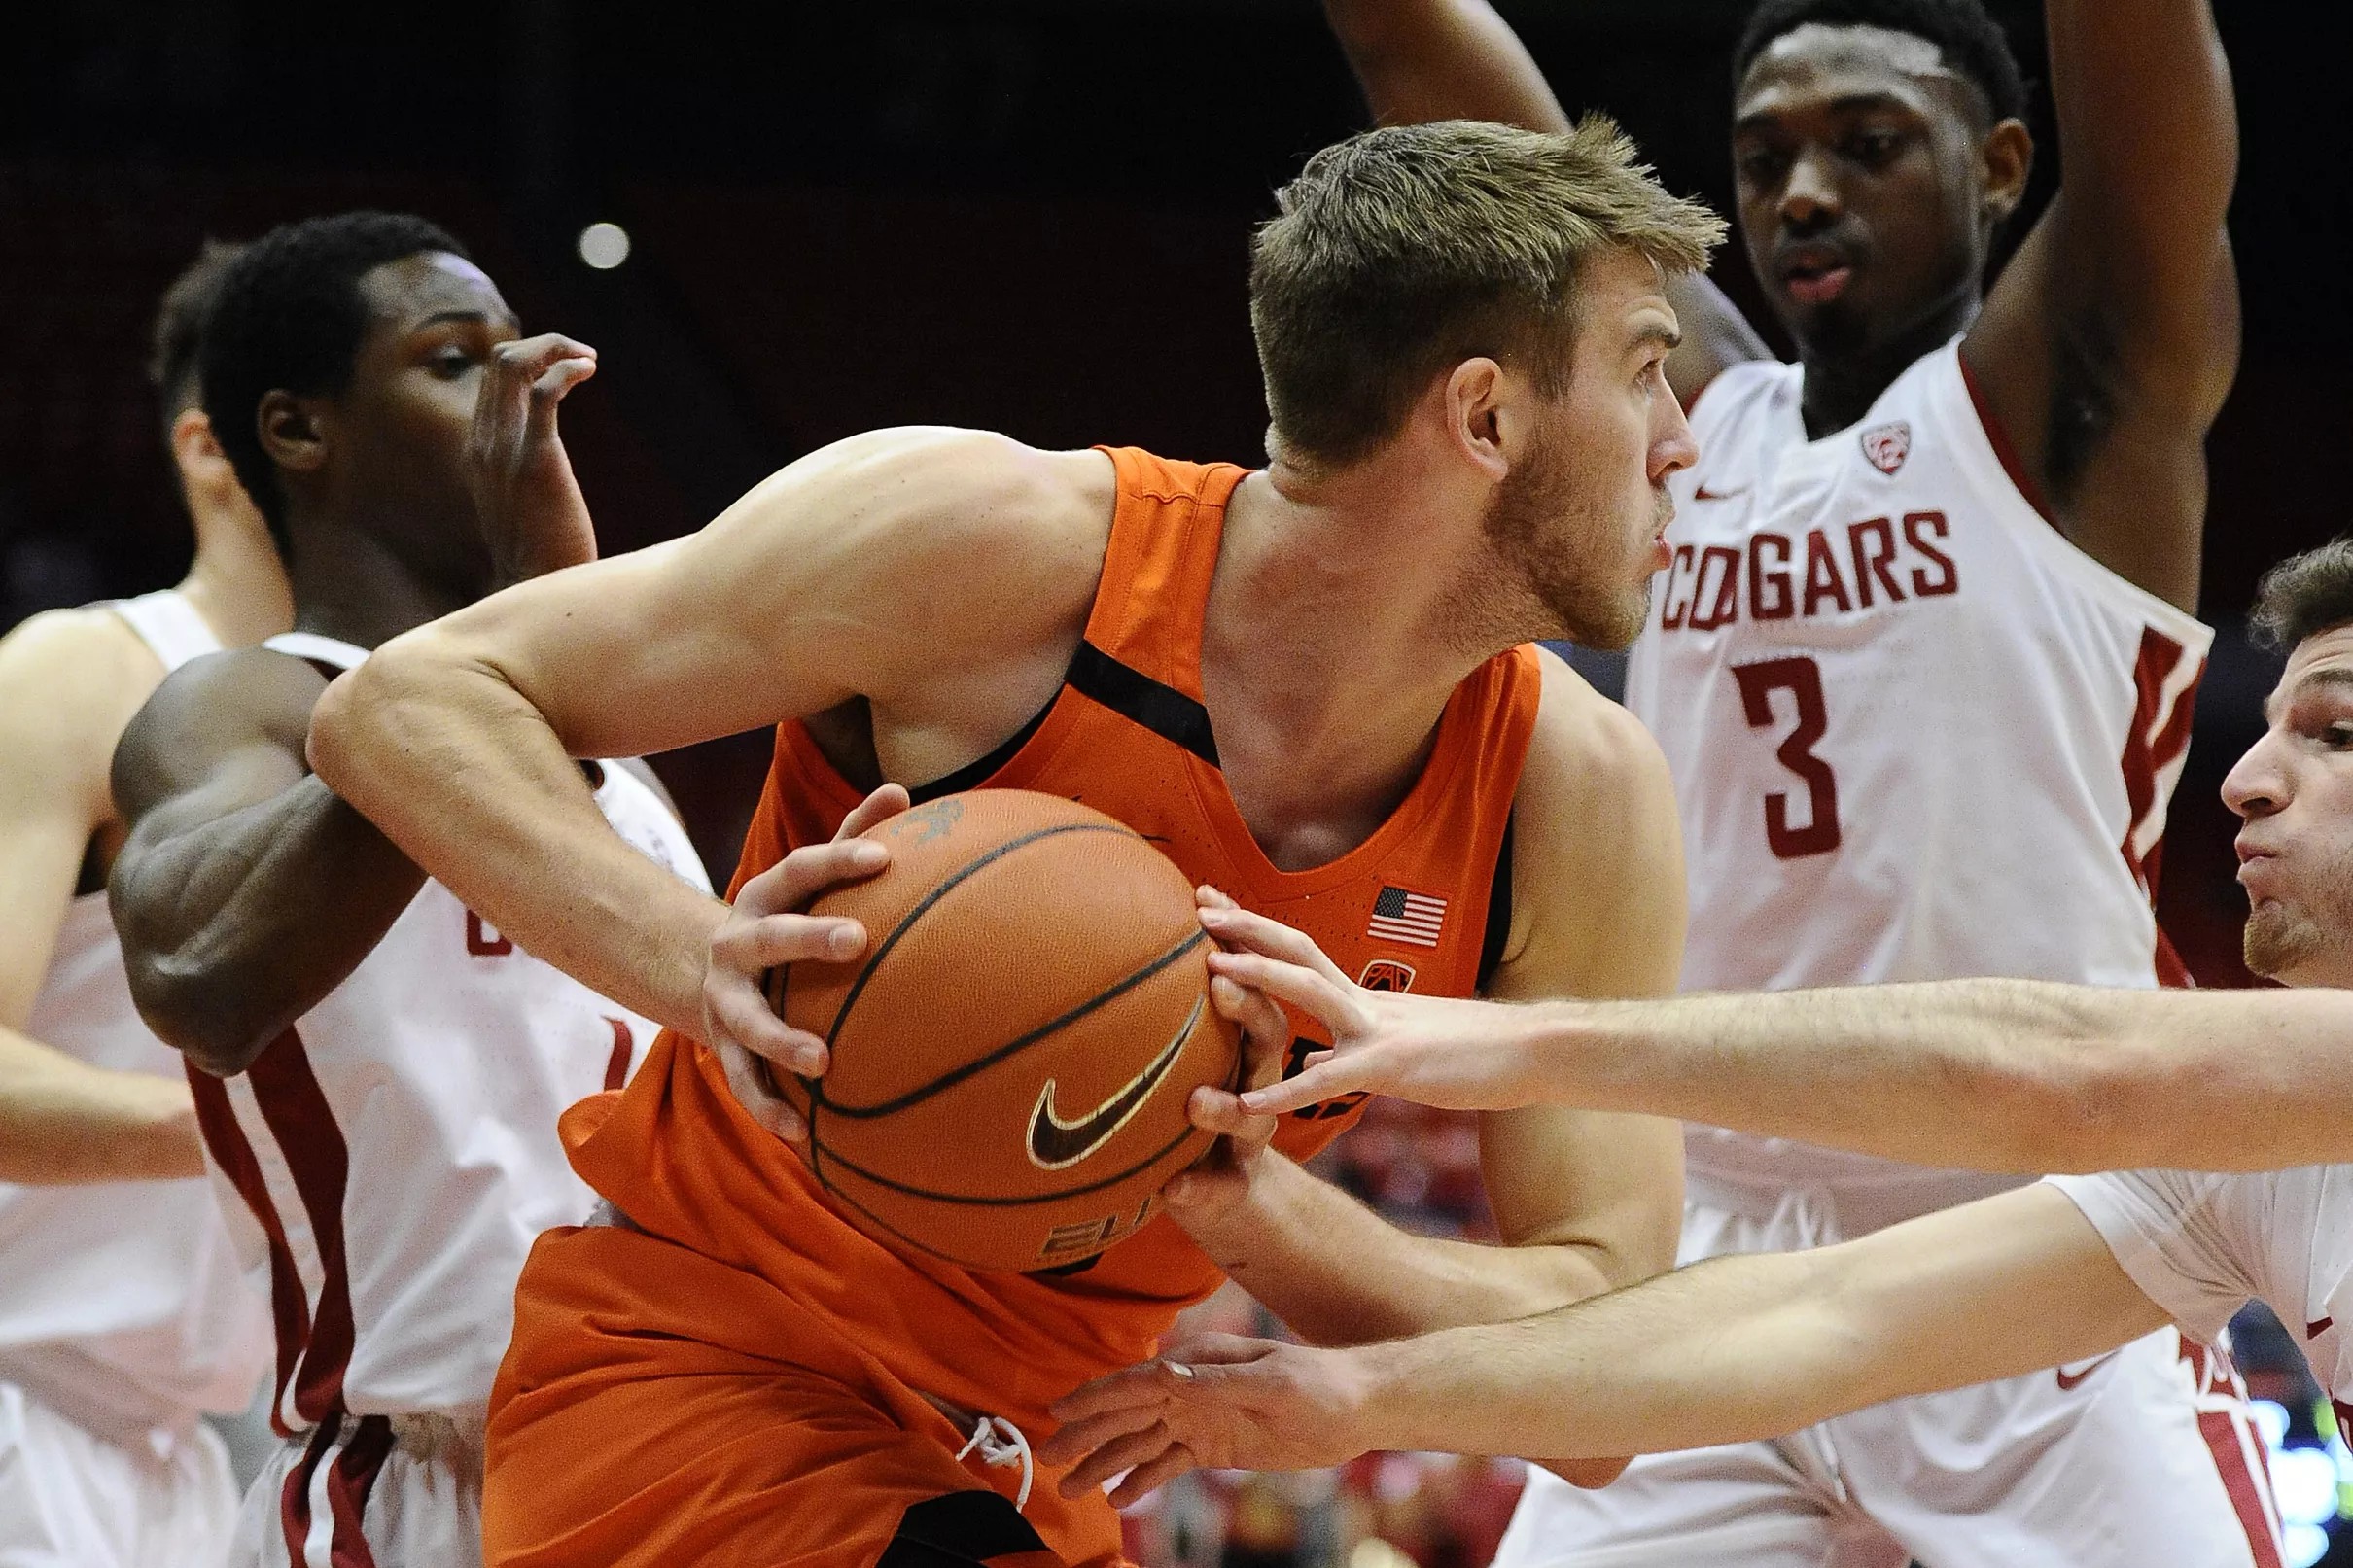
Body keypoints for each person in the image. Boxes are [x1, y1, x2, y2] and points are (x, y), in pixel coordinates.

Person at [306, 120, 1714, 1567]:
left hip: (1036, 1458)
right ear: (1484, 416)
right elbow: (404, 702)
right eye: (1646, 365)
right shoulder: (1001, 549)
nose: (1683, 436)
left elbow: (1601, 1374)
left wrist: (1256, 1210)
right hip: (706, 1371)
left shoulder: (1576, 791)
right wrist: (700, 962)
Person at [1319, 0, 2263, 1562]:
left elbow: (2151, 88)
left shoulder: (2068, 390)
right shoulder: (1684, 423)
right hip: (1721, 1233)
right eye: (1763, 159)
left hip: (2031, 1217)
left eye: (1868, 145)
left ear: (2003, 163)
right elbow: (1439, 83)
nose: (1803, 192)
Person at [1038, 540, 2353, 1550]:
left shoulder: (2209, 1105)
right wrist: (1364, 1395)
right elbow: (1812, 1317)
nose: (2245, 778)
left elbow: (2064, 1073)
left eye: (2335, 732)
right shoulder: (2248, 1158)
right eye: (2274, 730)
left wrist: (1489, 1039)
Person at [105, 212, 709, 1568]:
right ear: (299, 432)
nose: (521, 385)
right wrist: (478, 665)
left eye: (518, 347)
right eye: (456, 360)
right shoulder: (250, 704)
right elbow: (203, 980)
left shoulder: (630, 769)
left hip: (678, 1464)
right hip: (422, 1491)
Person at [0, 240, 283, 1566]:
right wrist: (247, 1121)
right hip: (22, 1409)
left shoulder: (414, 715)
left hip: (200, 1450)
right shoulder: (82, 671)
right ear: (216, 446)